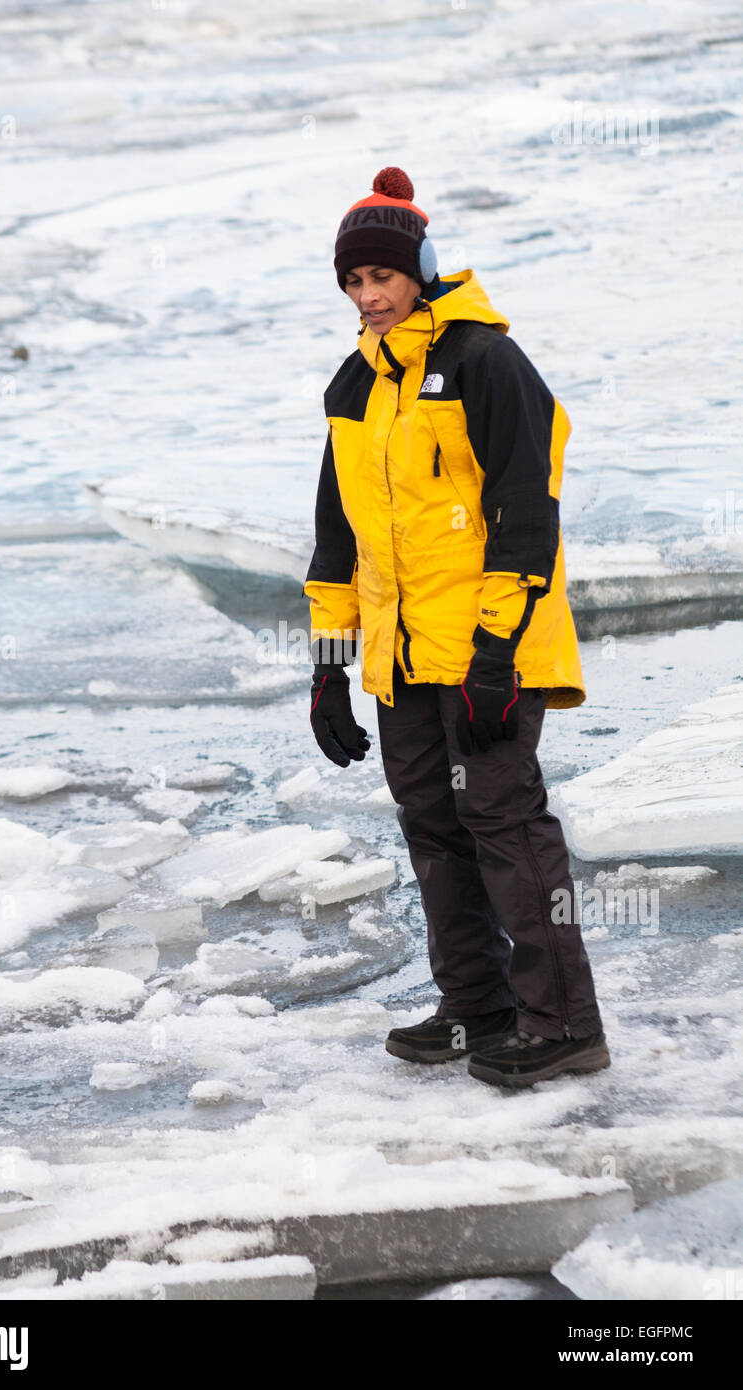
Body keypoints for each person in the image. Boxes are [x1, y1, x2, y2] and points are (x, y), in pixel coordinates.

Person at [304, 167, 609, 1089]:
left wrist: (495, 655)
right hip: (402, 663)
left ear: (418, 270)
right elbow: (336, 538)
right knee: (434, 827)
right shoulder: (355, 386)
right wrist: (327, 667)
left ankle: (565, 1024)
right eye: (353, 282)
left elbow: (527, 509)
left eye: (381, 278)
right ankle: (477, 1010)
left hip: (488, 653)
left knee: (504, 825)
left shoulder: (485, 360)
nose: (369, 296)